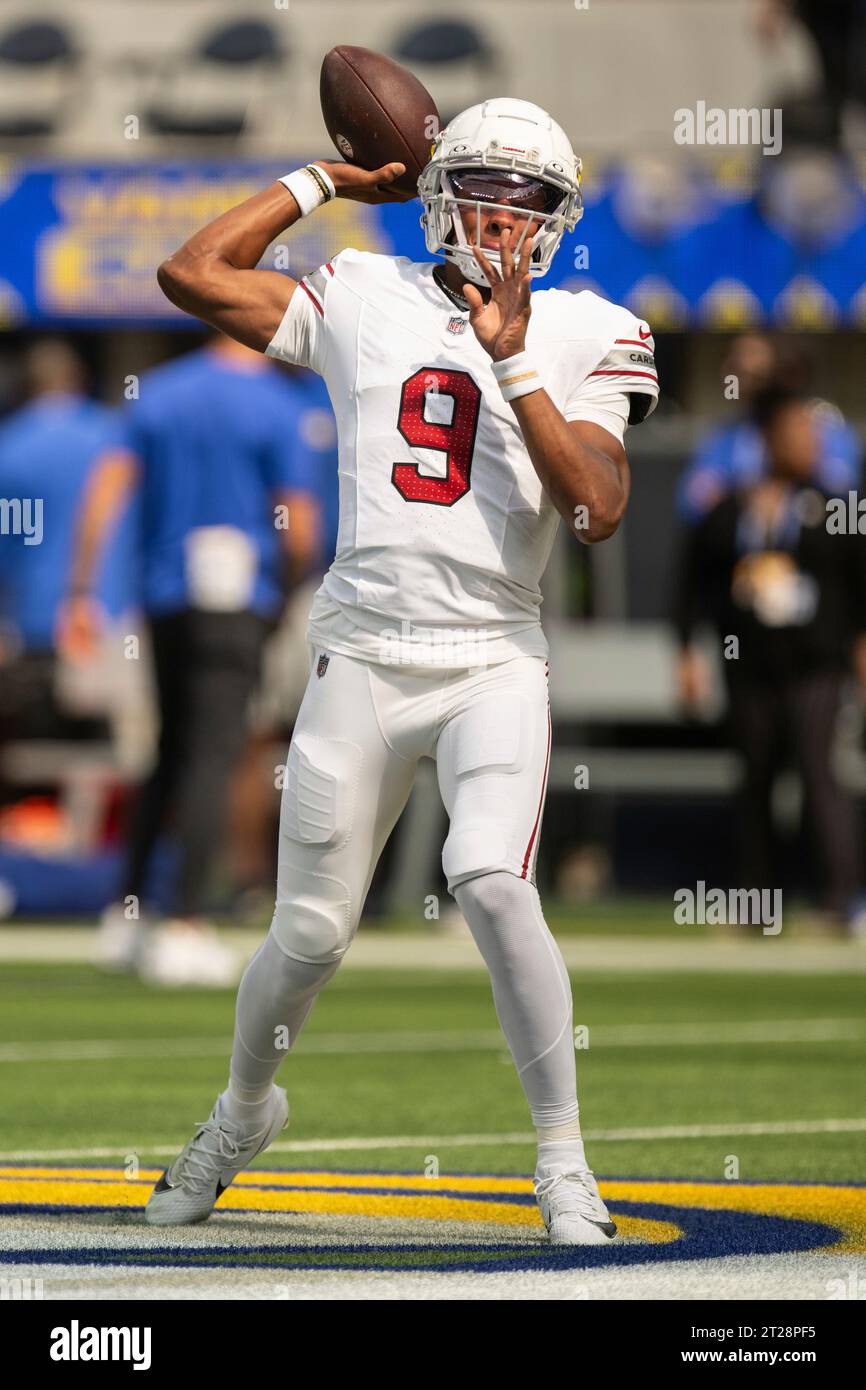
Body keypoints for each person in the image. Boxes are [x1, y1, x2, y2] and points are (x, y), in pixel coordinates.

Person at [142, 98, 659, 1244]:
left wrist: (513, 357)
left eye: (530, 202)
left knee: (487, 875)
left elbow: (601, 507)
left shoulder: (588, 327)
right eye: (483, 189)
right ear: (436, 193)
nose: (504, 218)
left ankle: (563, 1160)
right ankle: (239, 1115)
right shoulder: (364, 295)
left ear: (559, 221)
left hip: (491, 660)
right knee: (310, 935)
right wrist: (324, 182)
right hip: (362, 653)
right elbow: (190, 272)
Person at [60, 333, 321, 985]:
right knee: (215, 755)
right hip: (239, 601)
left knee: (171, 750)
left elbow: (106, 488)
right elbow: (300, 521)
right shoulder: (278, 405)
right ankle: (184, 921)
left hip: (165, 597)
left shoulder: (159, 392)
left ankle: (127, 916)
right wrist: (286, 596)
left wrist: (83, 589)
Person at [675, 386, 866, 932]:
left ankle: (841, 901)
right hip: (750, 662)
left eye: (812, 433)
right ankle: (759, 907)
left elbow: (857, 591)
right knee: (755, 778)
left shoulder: (834, 506)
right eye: (795, 432)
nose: (807, 443)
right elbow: (693, 582)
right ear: (766, 441)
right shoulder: (730, 509)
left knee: (820, 772)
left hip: (816, 662)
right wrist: (687, 651)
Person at [0, 341, 131, 801]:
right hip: (117, 620)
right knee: (119, 763)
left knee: (32, 765)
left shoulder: (10, 446)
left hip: (33, 624)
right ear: (79, 381)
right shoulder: (116, 436)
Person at [676, 333, 861, 525]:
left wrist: (801, 476)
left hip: (810, 543)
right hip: (743, 544)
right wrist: (747, 497)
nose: (729, 376)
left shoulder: (826, 427)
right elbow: (692, 501)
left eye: (750, 373)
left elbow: (844, 493)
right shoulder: (728, 435)